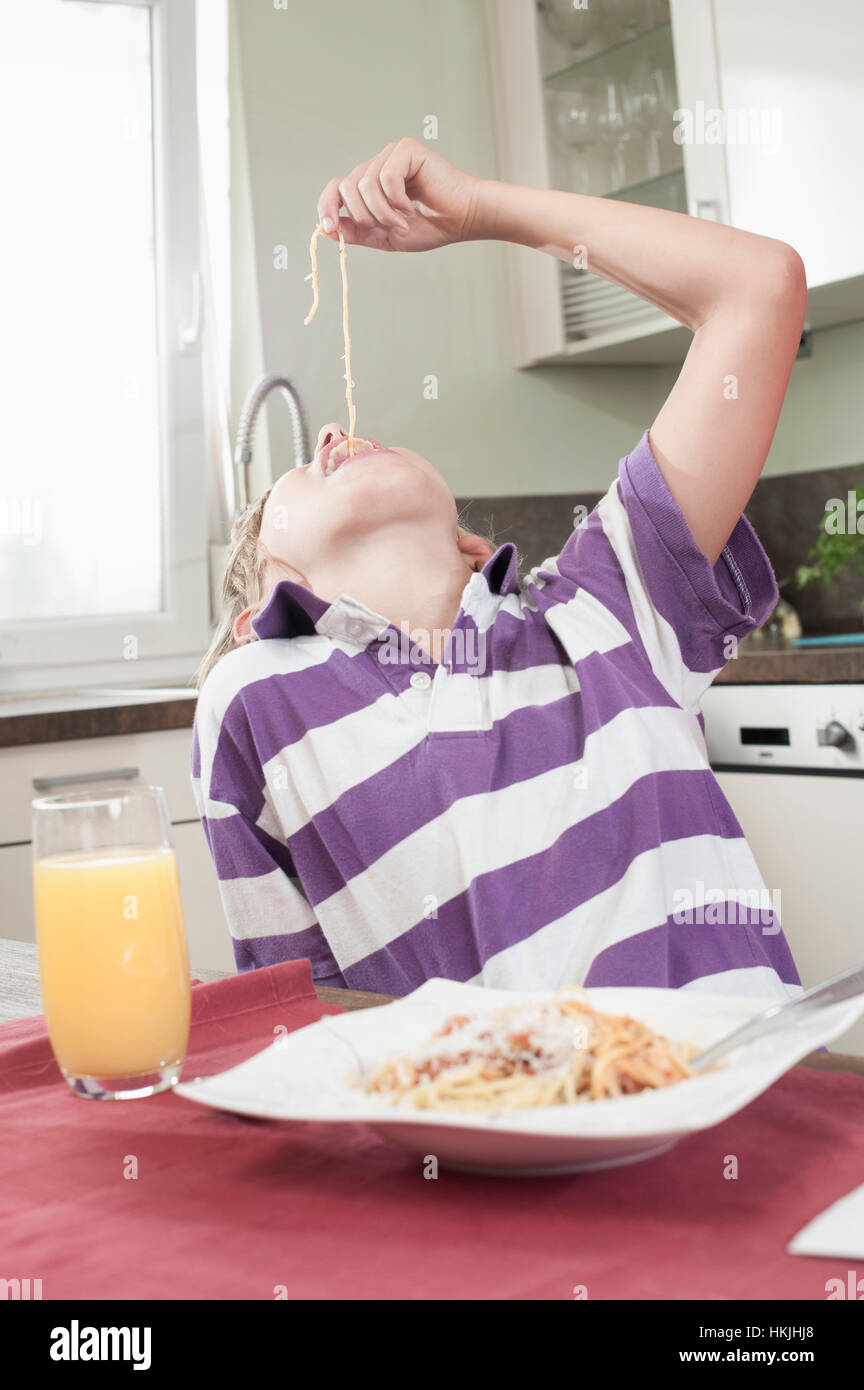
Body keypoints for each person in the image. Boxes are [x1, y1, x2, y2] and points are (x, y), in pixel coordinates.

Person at [191, 138, 806, 1000]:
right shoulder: (259, 697)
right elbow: (299, 1015)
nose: (332, 434)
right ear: (264, 612)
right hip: (496, 1129)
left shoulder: (601, 606)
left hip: (752, 1106)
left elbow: (760, 287)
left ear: (471, 550)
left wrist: (482, 209)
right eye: (275, 505)